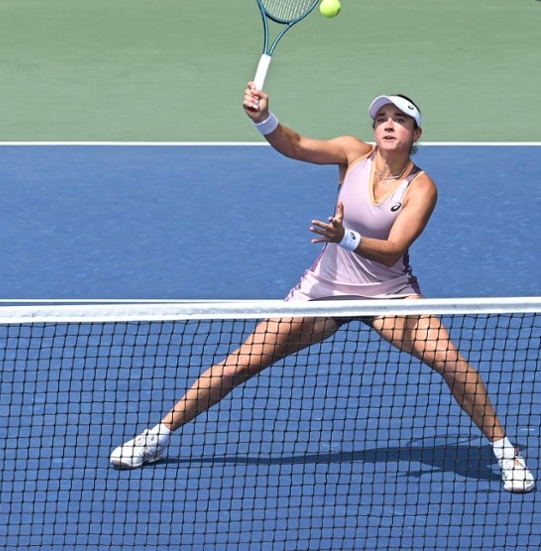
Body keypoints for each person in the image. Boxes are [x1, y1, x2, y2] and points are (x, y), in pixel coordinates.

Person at [109, 83, 536, 494]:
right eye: (382, 117)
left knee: (451, 362)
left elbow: (392, 251)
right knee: (241, 363)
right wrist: (264, 119)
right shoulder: (352, 154)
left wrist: (345, 237)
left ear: (415, 134)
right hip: (324, 291)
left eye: (400, 120)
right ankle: (157, 435)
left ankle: (504, 453)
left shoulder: (421, 187)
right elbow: (294, 144)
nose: (388, 124)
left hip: (389, 297)